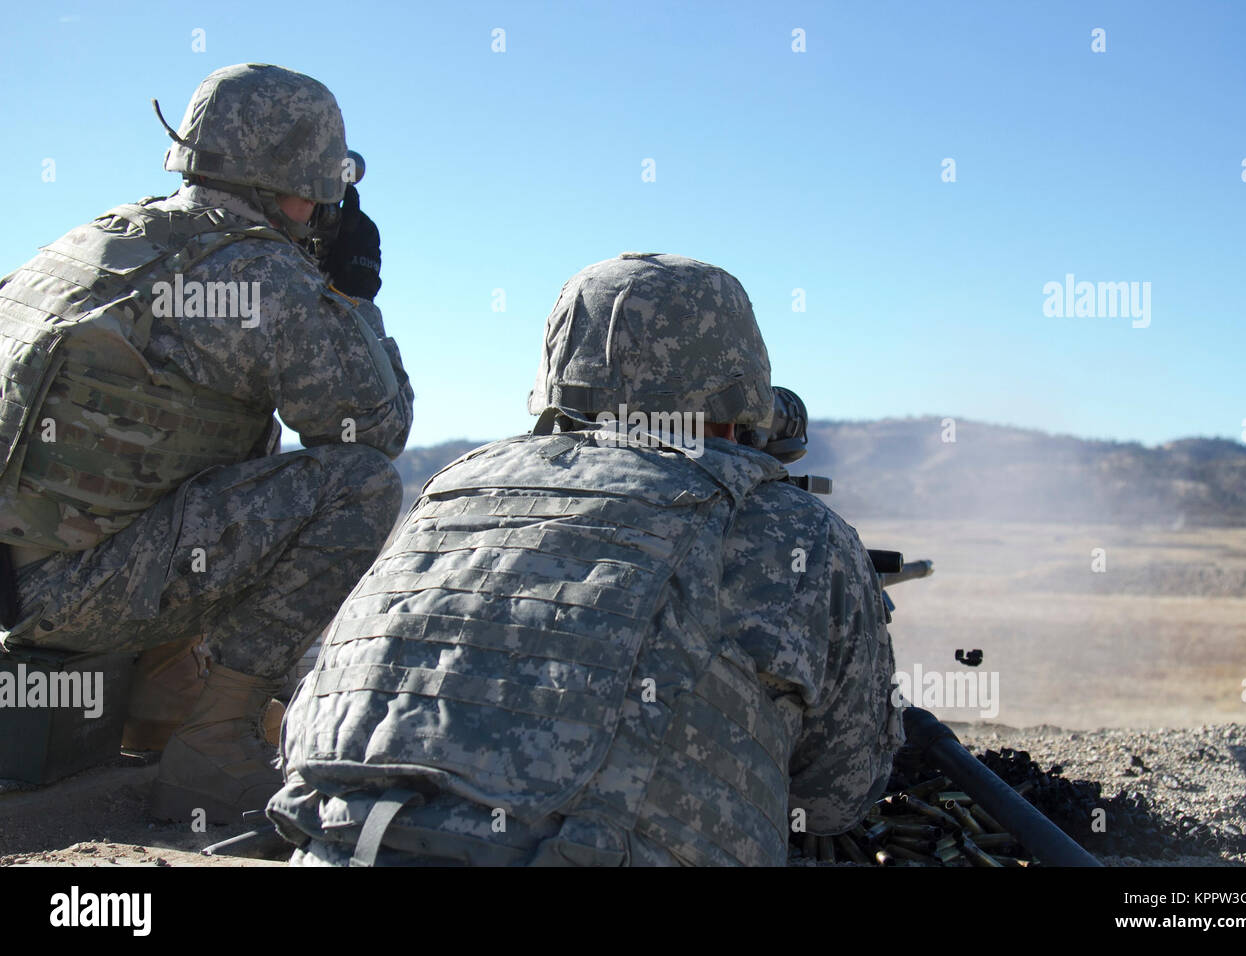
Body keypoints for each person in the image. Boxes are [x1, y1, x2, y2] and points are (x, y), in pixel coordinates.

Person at [268, 252, 901, 866]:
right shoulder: (789, 527)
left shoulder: (454, 488)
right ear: (742, 385)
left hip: (342, 845)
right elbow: (832, 798)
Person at [0, 63, 413, 824]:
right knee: (357, 484)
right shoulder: (261, 274)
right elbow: (374, 428)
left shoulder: (87, 244)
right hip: (69, 598)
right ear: (303, 182)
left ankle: (160, 699)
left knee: (171, 469)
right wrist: (354, 294)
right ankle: (213, 743)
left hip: (22, 580)